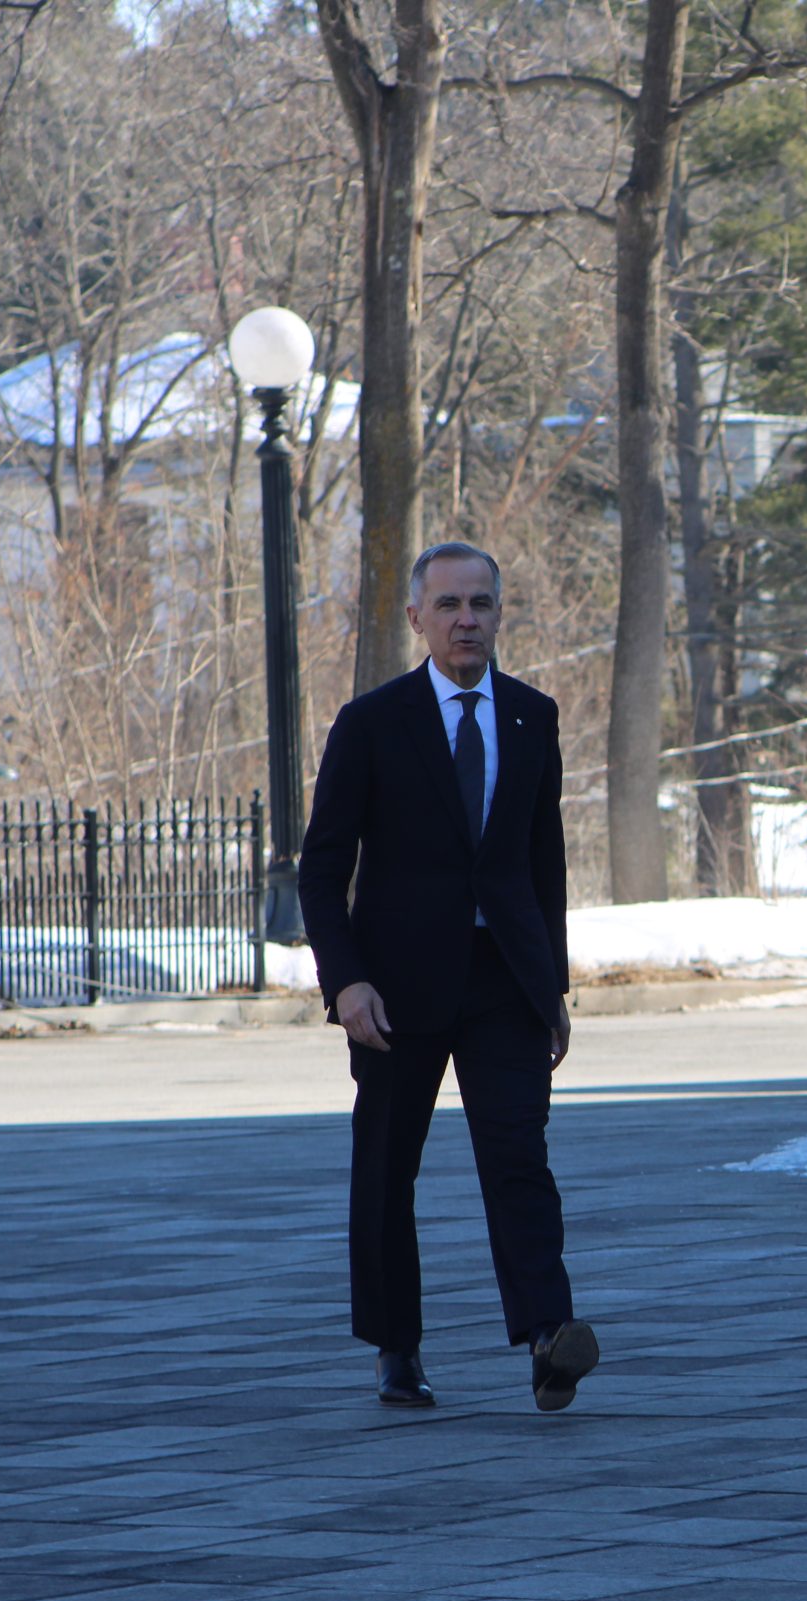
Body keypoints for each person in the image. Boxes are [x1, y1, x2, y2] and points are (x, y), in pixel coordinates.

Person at [297, 541, 597, 1412]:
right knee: (388, 1167)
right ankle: (397, 1346)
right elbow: (323, 869)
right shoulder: (372, 722)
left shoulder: (531, 716)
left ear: (500, 613)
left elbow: (543, 864)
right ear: (418, 618)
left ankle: (549, 1336)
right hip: (396, 988)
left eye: (481, 603)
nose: (467, 619)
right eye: (450, 605)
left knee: (519, 1157)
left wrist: (552, 987)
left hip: (505, 981)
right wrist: (346, 982)